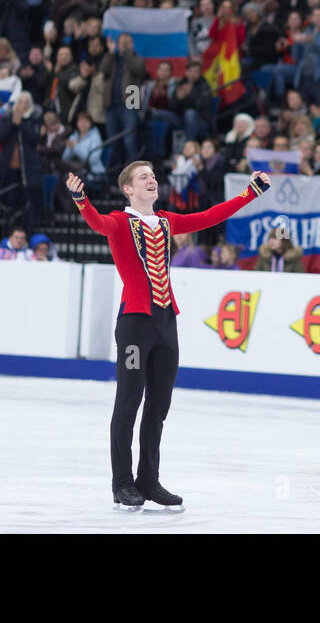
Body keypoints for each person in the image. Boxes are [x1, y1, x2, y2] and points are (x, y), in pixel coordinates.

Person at [65, 164, 272, 512]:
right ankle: (122, 482)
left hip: (165, 323)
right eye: (142, 177)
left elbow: (209, 216)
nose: (151, 180)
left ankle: (148, 480)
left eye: (153, 176)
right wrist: (81, 200)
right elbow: (97, 223)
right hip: (134, 324)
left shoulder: (165, 221)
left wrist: (249, 193)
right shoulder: (118, 221)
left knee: (158, 406)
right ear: (128, 189)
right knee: (128, 401)